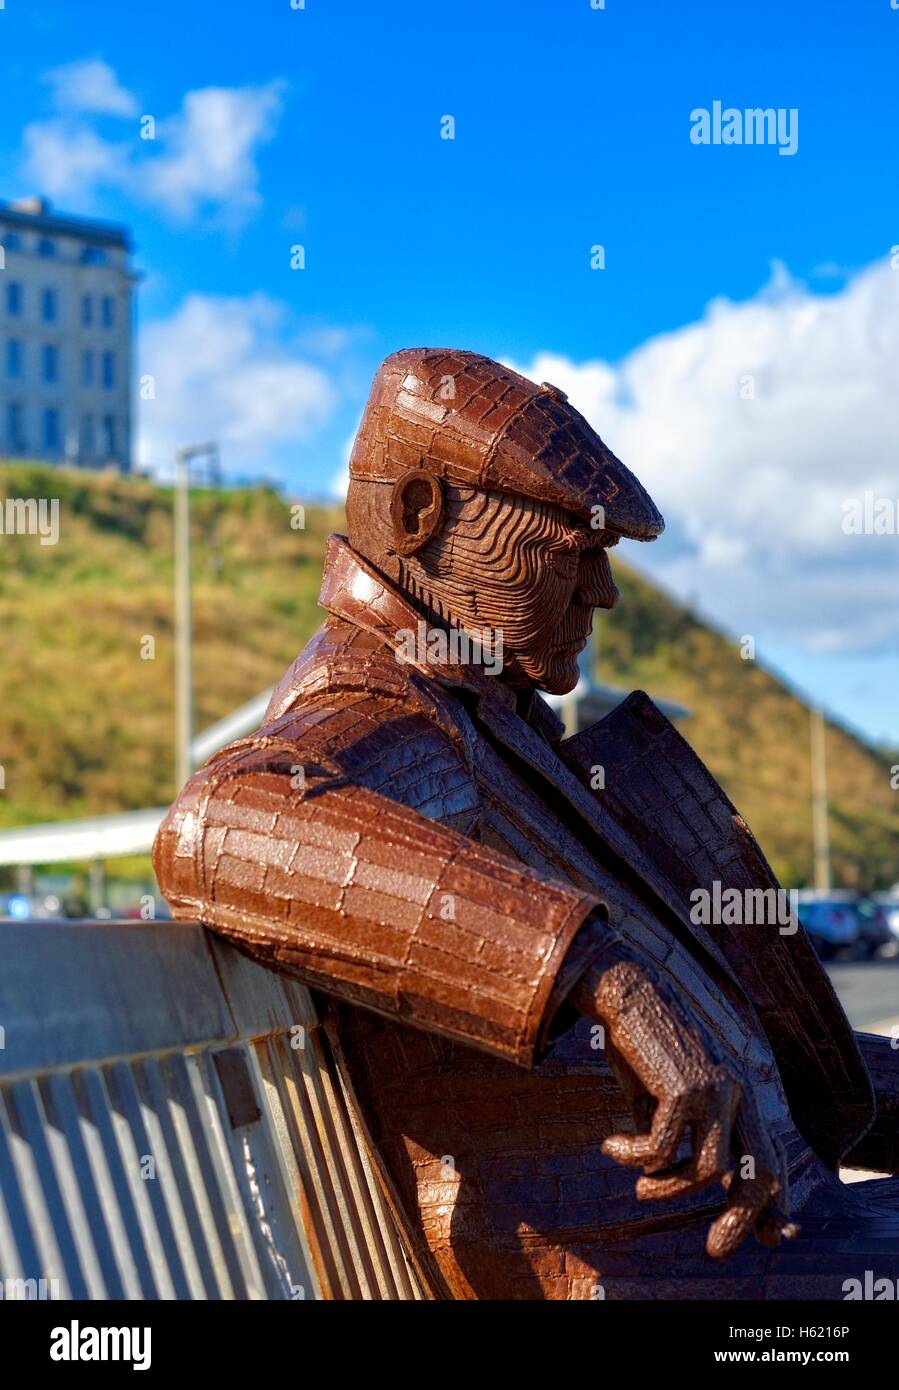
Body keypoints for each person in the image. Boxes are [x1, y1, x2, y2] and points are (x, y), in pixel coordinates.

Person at [154, 348, 899, 1299]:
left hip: (768, 1236)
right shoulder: (387, 707)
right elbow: (218, 827)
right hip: (672, 1272)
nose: (604, 590)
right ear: (421, 515)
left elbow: (750, 1044)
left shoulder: (492, 718)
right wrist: (604, 977)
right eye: (572, 547)